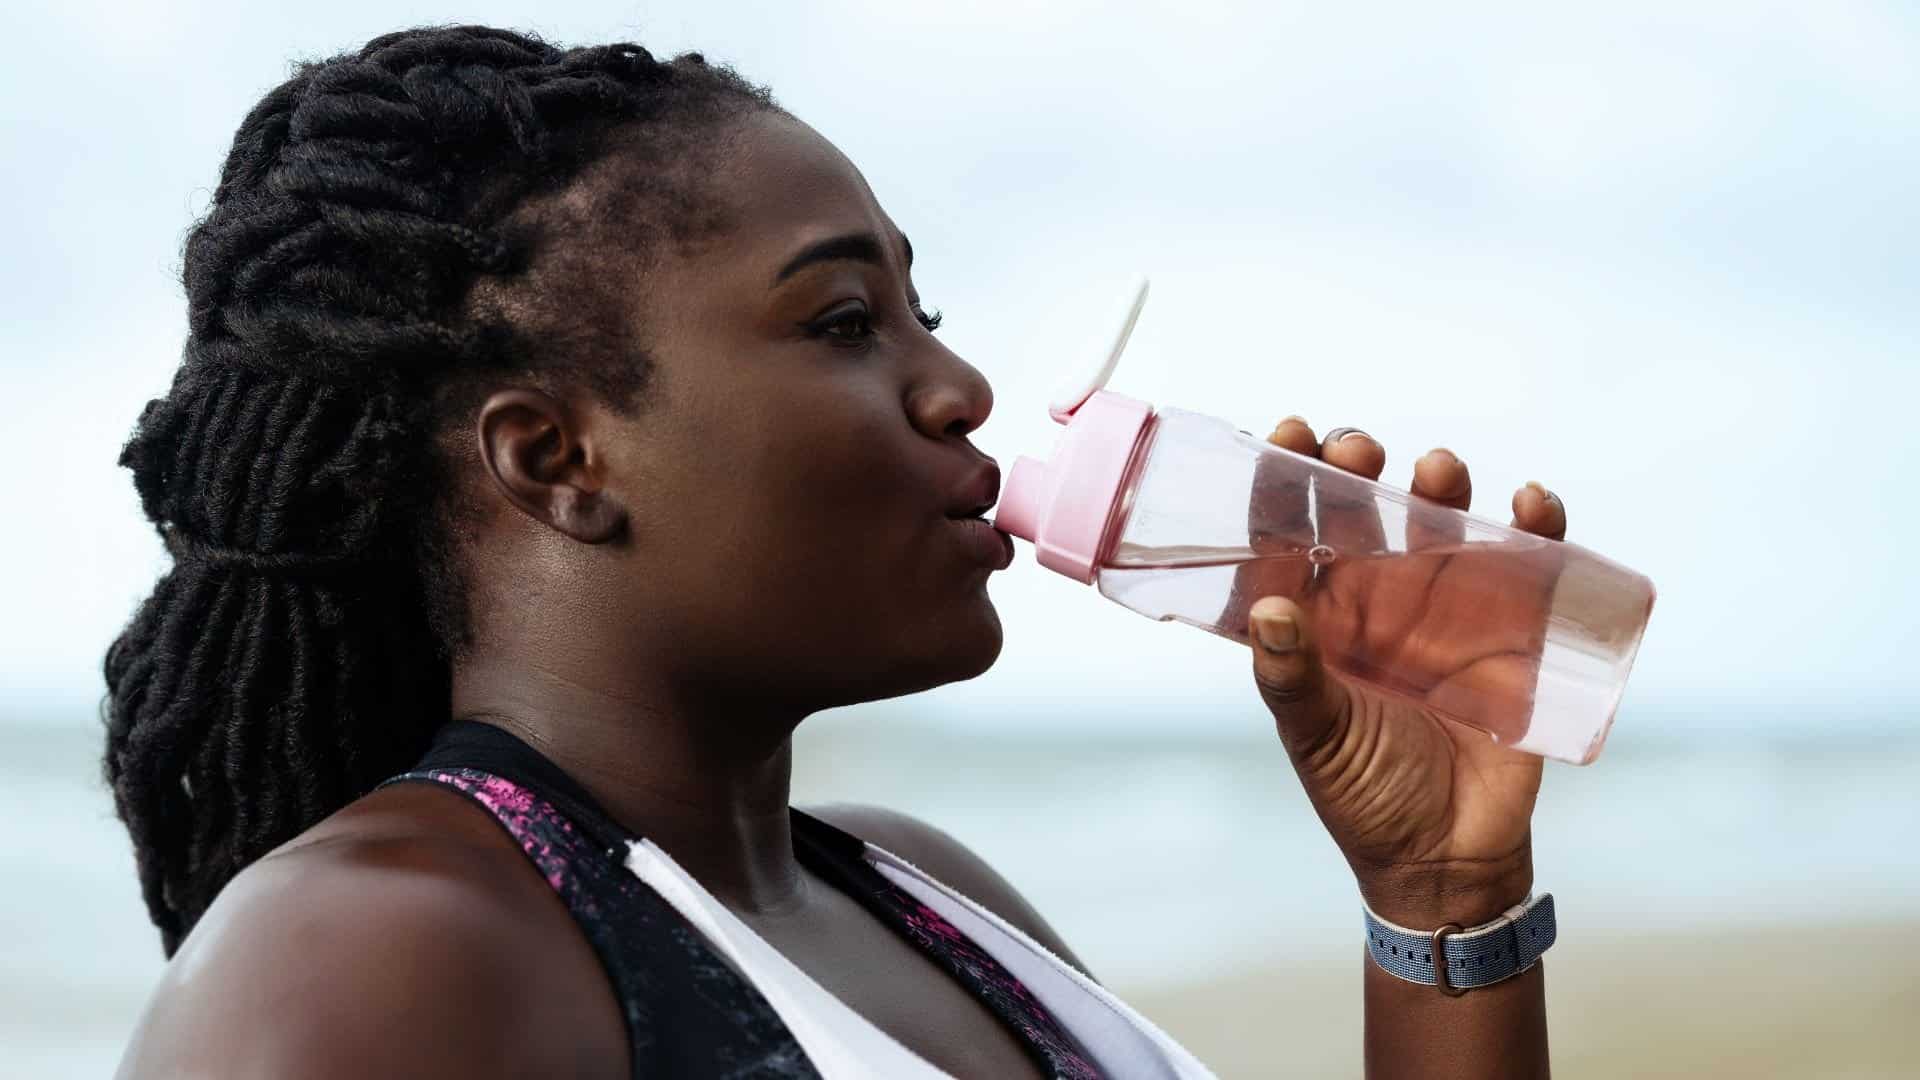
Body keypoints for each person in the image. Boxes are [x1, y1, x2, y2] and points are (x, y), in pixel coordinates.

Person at [104, 25, 1565, 1079]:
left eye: (923, 309)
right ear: (556, 459)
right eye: (846, 323)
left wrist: (1442, 899)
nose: (960, 389)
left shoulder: (934, 901)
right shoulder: (379, 960)